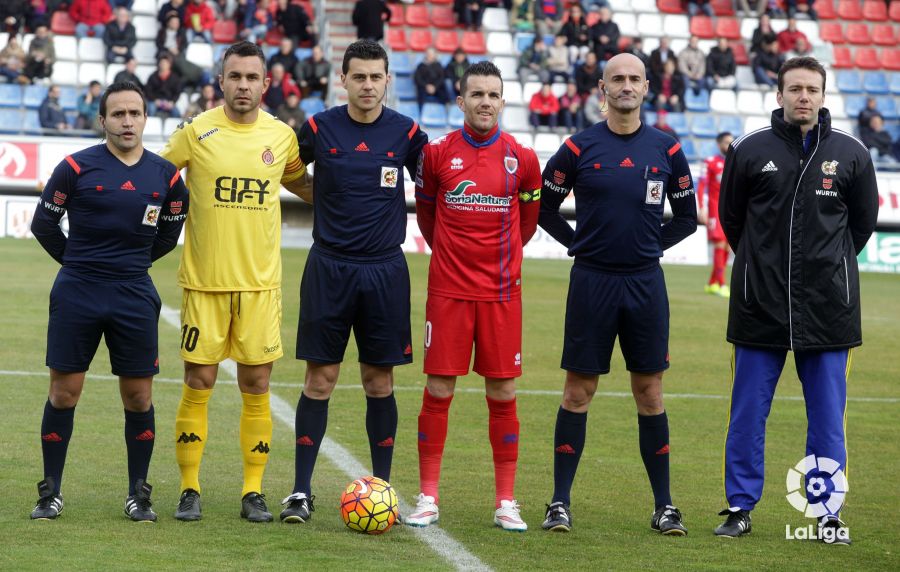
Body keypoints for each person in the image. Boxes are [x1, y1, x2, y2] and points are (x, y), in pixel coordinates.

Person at [714, 56, 879, 543]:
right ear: (779, 94)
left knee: (828, 419)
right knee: (746, 414)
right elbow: (732, 221)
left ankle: (827, 513)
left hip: (828, 310)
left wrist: (827, 272)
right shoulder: (748, 150)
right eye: (795, 89)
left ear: (824, 96)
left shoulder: (851, 153)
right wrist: (763, 270)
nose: (803, 96)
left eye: (812, 89)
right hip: (758, 306)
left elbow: (861, 225)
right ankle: (740, 507)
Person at [537, 52, 697, 535]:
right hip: (591, 282)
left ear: (647, 87)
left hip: (645, 283)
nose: (625, 86)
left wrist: (649, 249)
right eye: (616, 79)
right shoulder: (577, 147)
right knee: (578, 391)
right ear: (601, 88)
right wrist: (577, 247)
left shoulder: (667, 150)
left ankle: (665, 506)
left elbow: (688, 220)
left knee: (649, 393)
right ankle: (559, 503)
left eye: (634, 79)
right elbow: (544, 209)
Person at [160, 40, 309, 523]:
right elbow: (155, 175)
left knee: (256, 382)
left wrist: (357, 187)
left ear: (266, 84)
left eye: (252, 78)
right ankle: (189, 489)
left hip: (260, 287)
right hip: (204, 283)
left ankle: (253, 492)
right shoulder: (196, 132)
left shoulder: (282, 137)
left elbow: (303, 186)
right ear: (220, 81)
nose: (243, 85)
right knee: (198, 379)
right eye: (234, 77)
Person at [279, 40, 427, 524]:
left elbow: (436, 182)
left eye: (375, 76)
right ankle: (300, 491)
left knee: (378, 380)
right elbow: (285, 169)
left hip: (384, 269)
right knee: (319, 380)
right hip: (329, 267)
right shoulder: (320, 127)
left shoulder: (407, 133)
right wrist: (316, 194)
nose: (367, 85)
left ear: (388, 80)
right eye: (358, 76)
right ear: (342, 80)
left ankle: (381, 487)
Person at [29, 81, 189, 523]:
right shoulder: (75, 168)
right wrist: (80, 263)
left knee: (138, 397)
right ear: (103, 120)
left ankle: (138, 494)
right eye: (117, 114)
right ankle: (50, 493)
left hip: (134, 293)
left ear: (145, 118)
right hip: (77, 290)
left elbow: (169, 236)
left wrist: (129, 266)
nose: (127, 121)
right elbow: (44, 224)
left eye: (134, 113)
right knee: (64, 392)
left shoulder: (167, 176)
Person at [406, 60, 541, 532]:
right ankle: (427, 496)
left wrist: (499, 261)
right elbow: (426, 218)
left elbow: (526, 225)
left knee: (502, 391)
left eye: (494, 94)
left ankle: (506, 500)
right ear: (460, 101)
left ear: (503, 101)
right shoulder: (437, 154)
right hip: (448, 291)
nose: (486, 102)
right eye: (477, 94)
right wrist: (453, 257)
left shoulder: (523, 159)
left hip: (502, 293)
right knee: (439, 388)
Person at [698, 131, 732, 297]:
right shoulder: (710, 162)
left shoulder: (734, 162)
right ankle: (722, 284)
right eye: (726, 142)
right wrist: (701, 207)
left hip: (729, 210)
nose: (729, 145)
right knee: (719, 244)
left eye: (731, 142)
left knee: (726, 246)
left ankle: (712, 283)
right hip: (714, 210)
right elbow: (701, 185)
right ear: (719, 144)